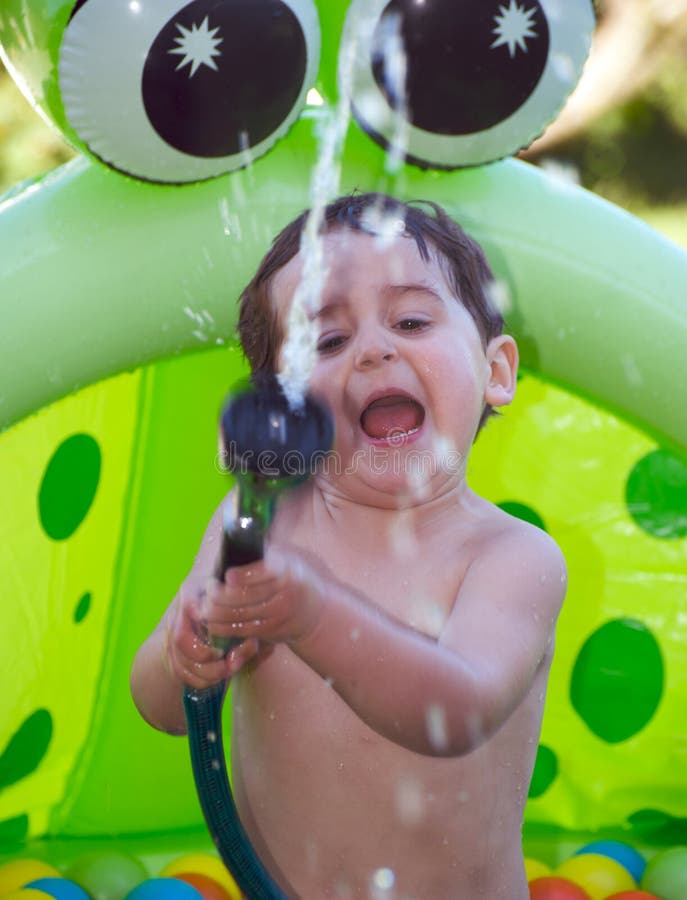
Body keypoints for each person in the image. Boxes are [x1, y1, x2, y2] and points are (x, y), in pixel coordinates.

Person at [130, 193, 567, 900]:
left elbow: (451, 714)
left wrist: (312, 618)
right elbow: (158, 705)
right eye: (326, 342)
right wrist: (183, 654)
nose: (373, 349)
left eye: (411, 320)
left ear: (496, 371)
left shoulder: (511, 558)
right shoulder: (256, 520)